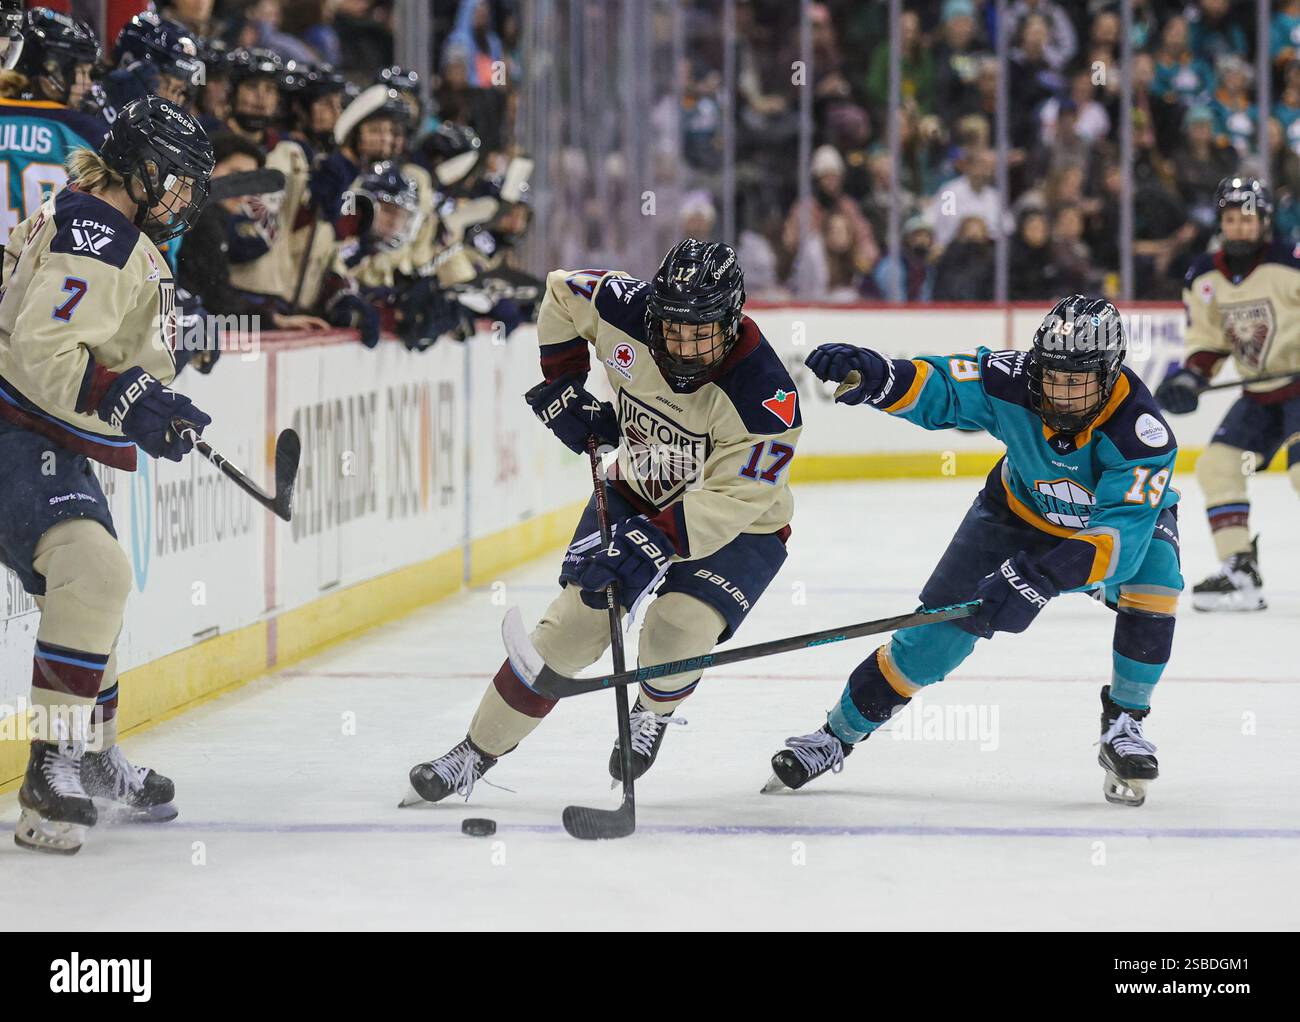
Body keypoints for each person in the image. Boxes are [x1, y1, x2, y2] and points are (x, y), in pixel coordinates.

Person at [404, 239, 801, 803]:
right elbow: (560, 292)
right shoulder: (621, 304)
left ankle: (654, 710)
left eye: (702, 332)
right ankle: (475, 751)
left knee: (677, 628)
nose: (684, 347)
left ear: (732, 323)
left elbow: (737, 497)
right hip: (636, 490)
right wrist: (565, 381)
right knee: (572, 627)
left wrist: (655, 542)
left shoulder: (768, 397)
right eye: (674, 328)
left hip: (741, 525)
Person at [773, 295, 1182, 808]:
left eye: (1078, 381)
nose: (1062, 393)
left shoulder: (1142, 435)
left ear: (1109, 373)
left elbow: (1116, 540)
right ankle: (836, 735)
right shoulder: (1011, 380)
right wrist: (880, 378)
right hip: (1014, 517)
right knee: (934, 639)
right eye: (1054, 376)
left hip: (1111, 537)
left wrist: (1044, 576)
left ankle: (1126, 721)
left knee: (1156, 581)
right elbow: (945, 386)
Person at [0, 97, 215, 854]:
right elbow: (43, 356)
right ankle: (50, 771)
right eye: (178, 182)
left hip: (37, 429)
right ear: (144, 167)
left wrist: (153, 400)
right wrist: (126, 395)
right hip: (14, 426)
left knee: (93, 593)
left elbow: (99, 354)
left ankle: (91, 760)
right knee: (94, 574)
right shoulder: (99, 231)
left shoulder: (103, 225)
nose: (184, 199)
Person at [1157, 177, 1300, 612]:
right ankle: (1240, 569)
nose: (1239, 227)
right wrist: (1191, 377)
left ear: (1265, 222)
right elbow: (1208, 340)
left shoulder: (1289, 261)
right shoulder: (1204, 275)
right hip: (1259, 395)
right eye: (1230, 219)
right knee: (1219, 466)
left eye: (1248, 219)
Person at [0, 7, 104, 246]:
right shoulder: (86, 132)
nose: (87, 83)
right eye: (81, 72)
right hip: (45, 274)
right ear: (51, 68)